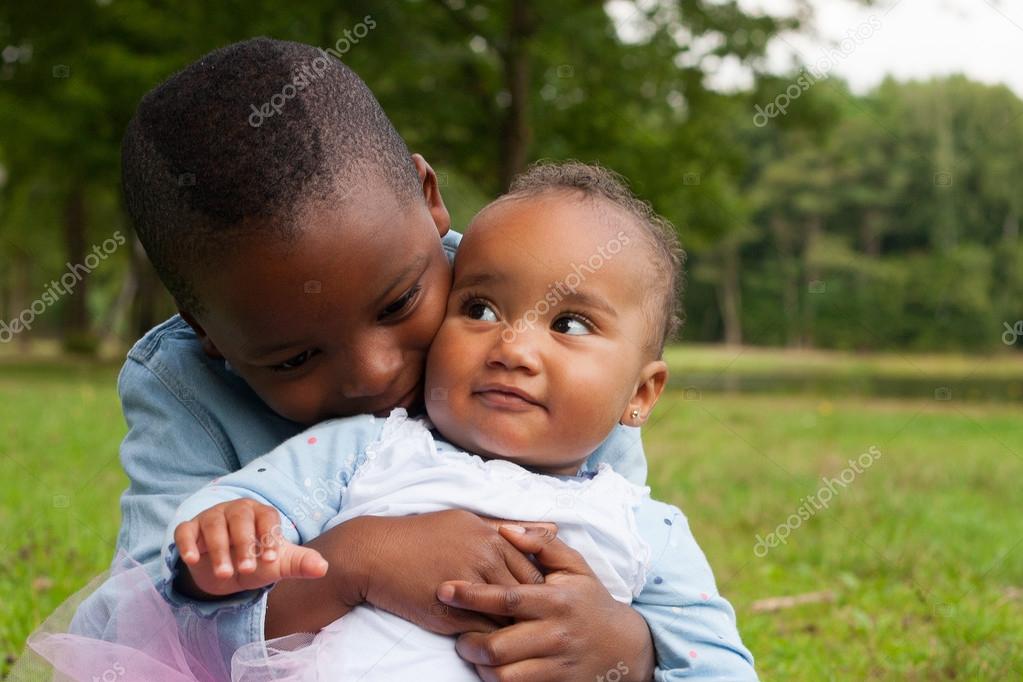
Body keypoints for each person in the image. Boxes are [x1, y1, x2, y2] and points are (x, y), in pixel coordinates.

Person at [41, 38, 658, 680]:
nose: (373, 373)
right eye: (295, 358)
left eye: (398, 304)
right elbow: (136, 628)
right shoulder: (188, 384)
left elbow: (640, 556)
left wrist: (628, 646)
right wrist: (357, 563)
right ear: (211, 333)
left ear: (428, 199)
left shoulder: (538, 336)